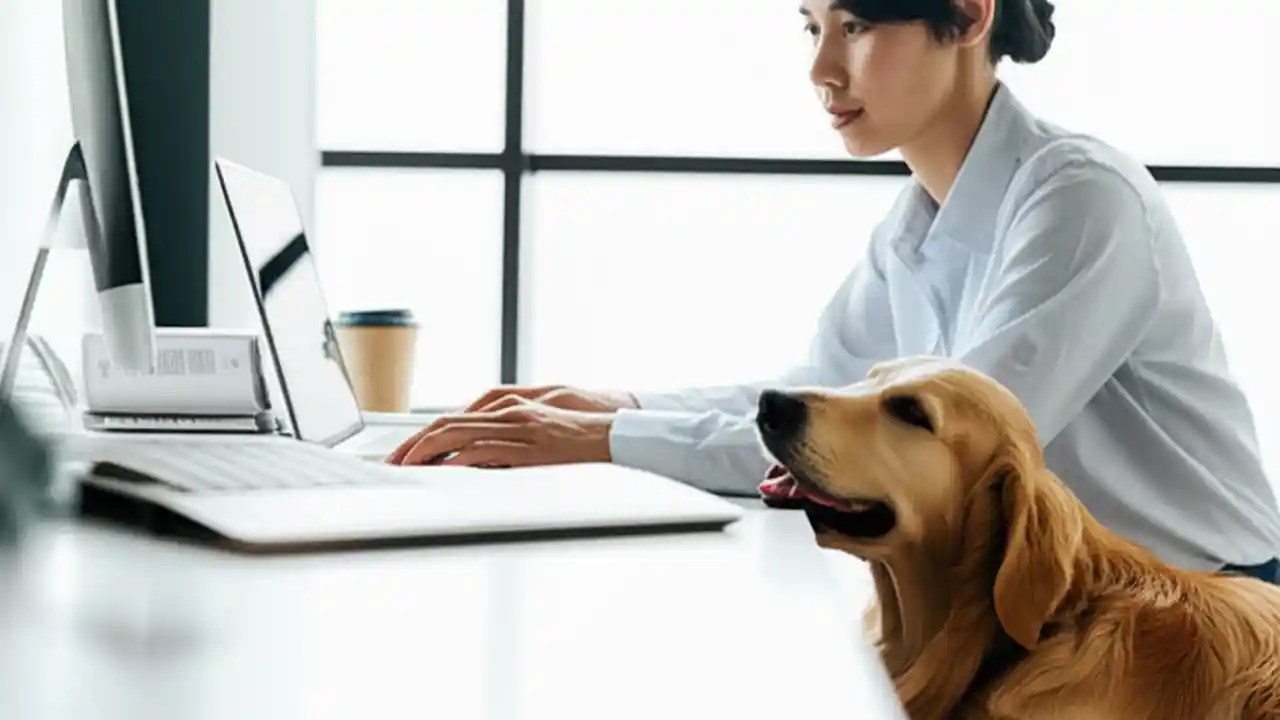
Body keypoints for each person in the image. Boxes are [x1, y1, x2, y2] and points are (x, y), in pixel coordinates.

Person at [389, 0, 1280, 581]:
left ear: (969, 15)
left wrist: (606, 441)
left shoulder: (1081, 199)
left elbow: (932, 453)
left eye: (854, 25)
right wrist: (617, 407)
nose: (821, 69)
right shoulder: (916, 224)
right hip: (1071, 605)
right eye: (811, 26)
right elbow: (817, 399)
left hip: (1210, 610)